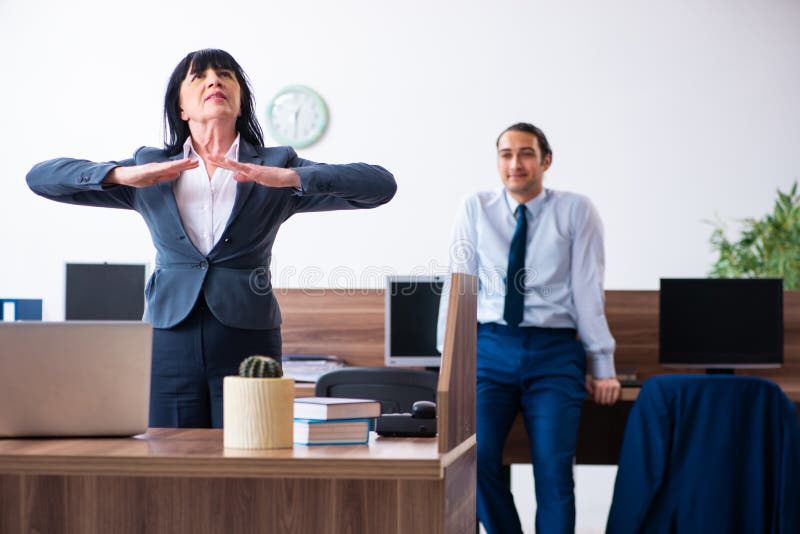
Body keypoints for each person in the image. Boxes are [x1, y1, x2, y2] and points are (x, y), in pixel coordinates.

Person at [26, 48, 396, 429]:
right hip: (168, 335)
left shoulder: (276, 166)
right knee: (169, 457)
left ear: (240, 104)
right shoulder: (150, 168)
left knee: (251, 455)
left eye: (224, 74)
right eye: (198, 77)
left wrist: (291, 178)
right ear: (181, 108)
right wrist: (121, 175)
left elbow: (380, 186)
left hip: (248, 337)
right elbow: (41, 178)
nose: (214, 81)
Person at [438, 122, 620, 533]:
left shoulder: (576, 210)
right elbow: (459, 284)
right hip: (490, 347)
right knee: (470, 462)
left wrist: (603, 364)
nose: (515, 163)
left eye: (525, 154)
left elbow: (587, 289)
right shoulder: (476, 207)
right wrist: (447, 361)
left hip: (553, 351)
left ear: (545, 160)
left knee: (554, 473)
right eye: (506, 154)